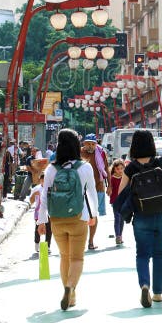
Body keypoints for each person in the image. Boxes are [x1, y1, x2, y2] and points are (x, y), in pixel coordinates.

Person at [118, 130, 162, 308]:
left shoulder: (131, 168)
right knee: (159, 253)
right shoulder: (161, 161)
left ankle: (144, 285)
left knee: (142, 254)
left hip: (141, 216)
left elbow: (121, 193)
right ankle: (157, 294)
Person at [37, 129, 98, 311]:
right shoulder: (85, 167)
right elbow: (91, 193)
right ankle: (70, 288)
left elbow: (44, 196)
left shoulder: (51, 169)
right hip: (78, 217)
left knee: (64, 257)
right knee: (77, 258)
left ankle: (70, 296)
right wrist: (93, 215)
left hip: (56, 219)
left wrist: (41, 221)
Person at [81, 134, 109, 250]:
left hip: (98, 187)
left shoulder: (101, 153)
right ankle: (81, 240)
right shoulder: (79, 153)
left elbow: (106, 169)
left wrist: (110, 186)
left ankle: (91, 241)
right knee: (82, 215)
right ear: (84, 144)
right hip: (82, 188)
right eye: (88, 143)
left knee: (94, 214)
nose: (91, 146)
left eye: (93, 144)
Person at [29, 173, 50, 254]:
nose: (44, 182)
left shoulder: (51, 188)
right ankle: (37, 244)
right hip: (38, 212)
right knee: (38, 228)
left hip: (49, 212)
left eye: (46, 180)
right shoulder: (36, 189)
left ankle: (47, 246)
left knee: (49, 229)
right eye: (42, 180)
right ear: (40, 180)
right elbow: (31, 201)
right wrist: (35, 194)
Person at [107, 158, 125, 245]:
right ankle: (117, 236)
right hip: (115, 201)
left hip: (123, 201)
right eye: (118, 169)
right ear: (114, 169)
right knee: (117, 218)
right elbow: (109, 190)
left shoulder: (125, 178)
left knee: (122, 219)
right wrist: (109, 190)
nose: (120, 170)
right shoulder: (112, 179)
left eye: (122, 168)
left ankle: (120, 235)